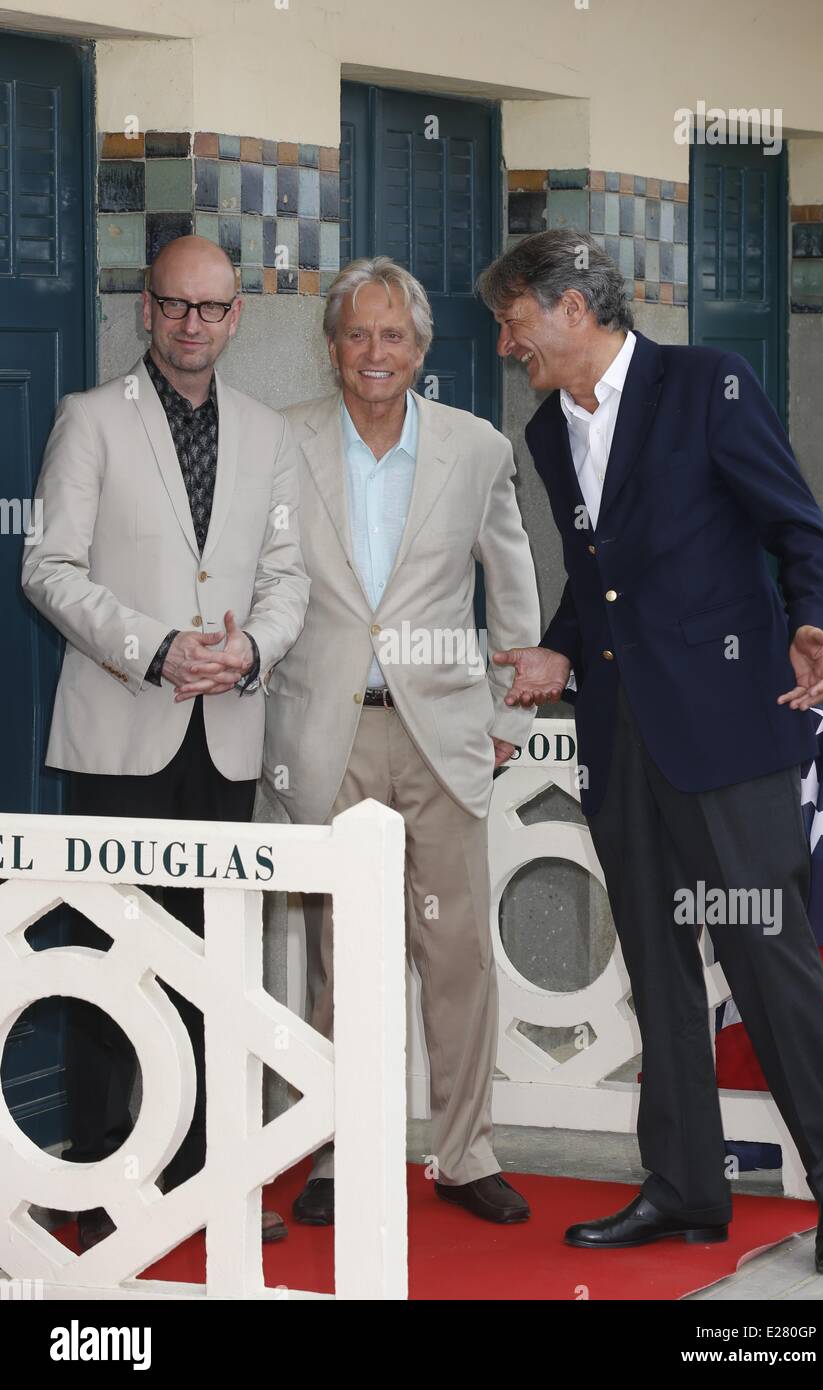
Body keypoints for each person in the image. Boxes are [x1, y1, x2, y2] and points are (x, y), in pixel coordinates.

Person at [479, 227, 823, 1273]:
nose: (510, 345)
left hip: (726, 732)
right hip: (618, 736)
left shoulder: (709, 385)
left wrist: (812, 623)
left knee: (766, 962)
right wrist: (558, 651)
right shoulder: (548, 433)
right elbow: (596, 582)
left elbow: (797, 530)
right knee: (653, 971)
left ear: (570, 307)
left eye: (515, 325)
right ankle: (685, 1186)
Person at [22, 235, 310, 1250]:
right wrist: (153, 649)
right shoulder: (91, 420)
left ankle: (202, 1166)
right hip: (120, 732)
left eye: (213, 308)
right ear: (146, 310)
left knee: (207, 958)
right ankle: (101, 1170)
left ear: (236, 318)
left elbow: (286, 576)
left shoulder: (271, 435)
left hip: (225, 733)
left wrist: (249, 652)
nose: (194, 324)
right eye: (176, 306)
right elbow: (49, 569)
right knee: (113, 955)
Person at [260, 256, 541, 1226]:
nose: (373, 352)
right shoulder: (281, 440)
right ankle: (343, 1150)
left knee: (456, 954)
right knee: (346, 956)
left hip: (442, 734)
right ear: (331, 345)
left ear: (420, 350)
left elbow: (510, 586)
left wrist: (507, 717)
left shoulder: (473, 447)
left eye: (393, 336)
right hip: (326, 734)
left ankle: (465, 1153)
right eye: (356, 333)